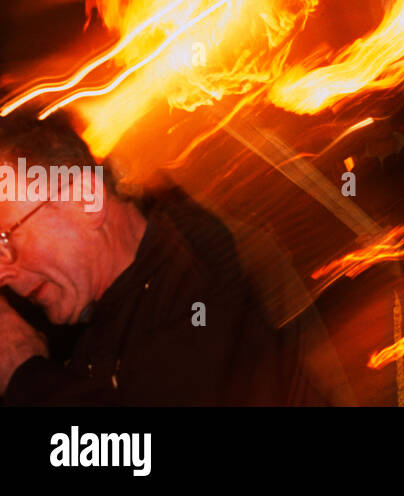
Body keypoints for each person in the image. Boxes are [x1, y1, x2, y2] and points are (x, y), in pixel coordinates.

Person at [0, 113, 319, 405]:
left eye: (5, 240)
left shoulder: (202, 279)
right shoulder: (107, 316)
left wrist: (26, 374)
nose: (2, 273)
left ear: (85, 199)